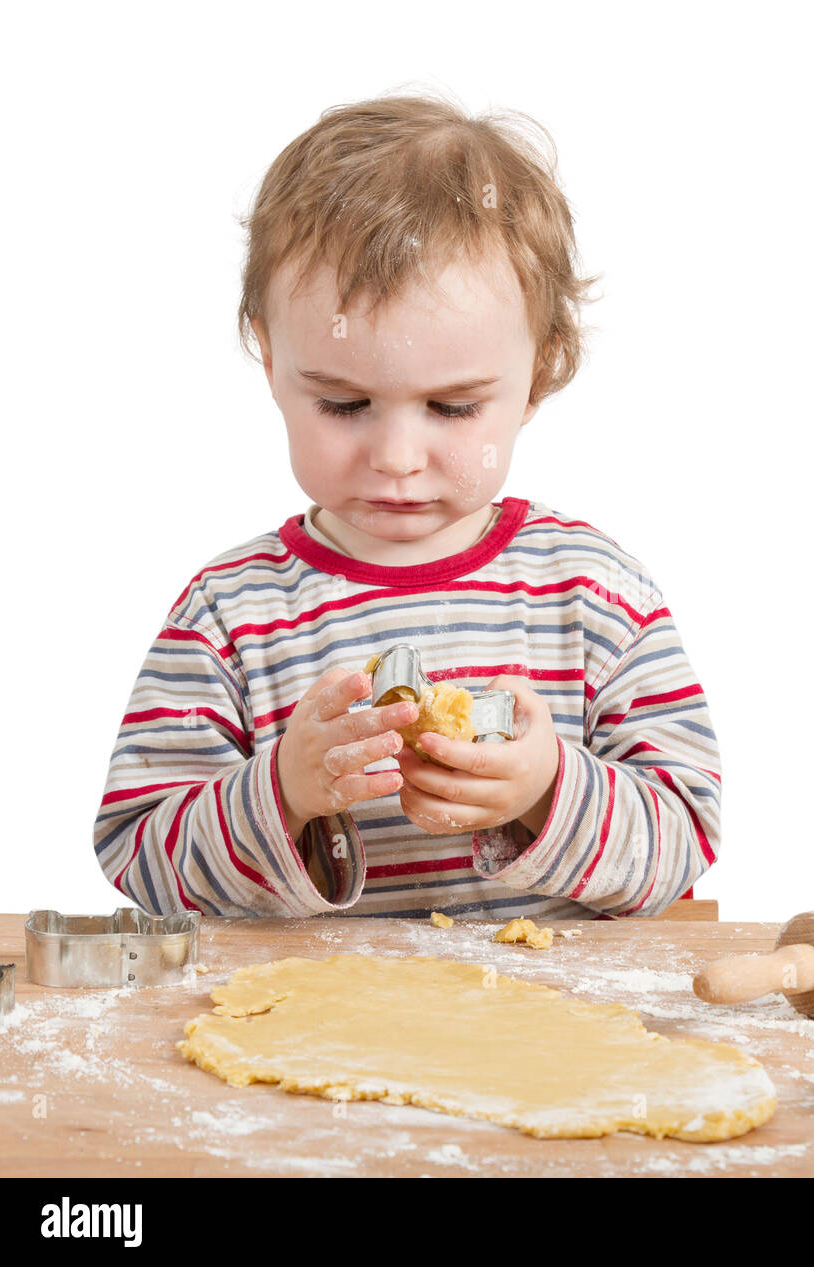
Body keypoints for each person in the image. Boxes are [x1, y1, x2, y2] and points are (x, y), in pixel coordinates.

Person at [92, 92, 721, 920]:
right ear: (271, 355)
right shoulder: (228, 615)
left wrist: (545, 789)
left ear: (542, 371)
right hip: (308, 1036)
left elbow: (685, 833)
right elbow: (138, 852)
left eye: (453, 408)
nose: (395, 457)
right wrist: (279, 791)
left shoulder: (595, 595)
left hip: (549, 1035)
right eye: (344, 405)